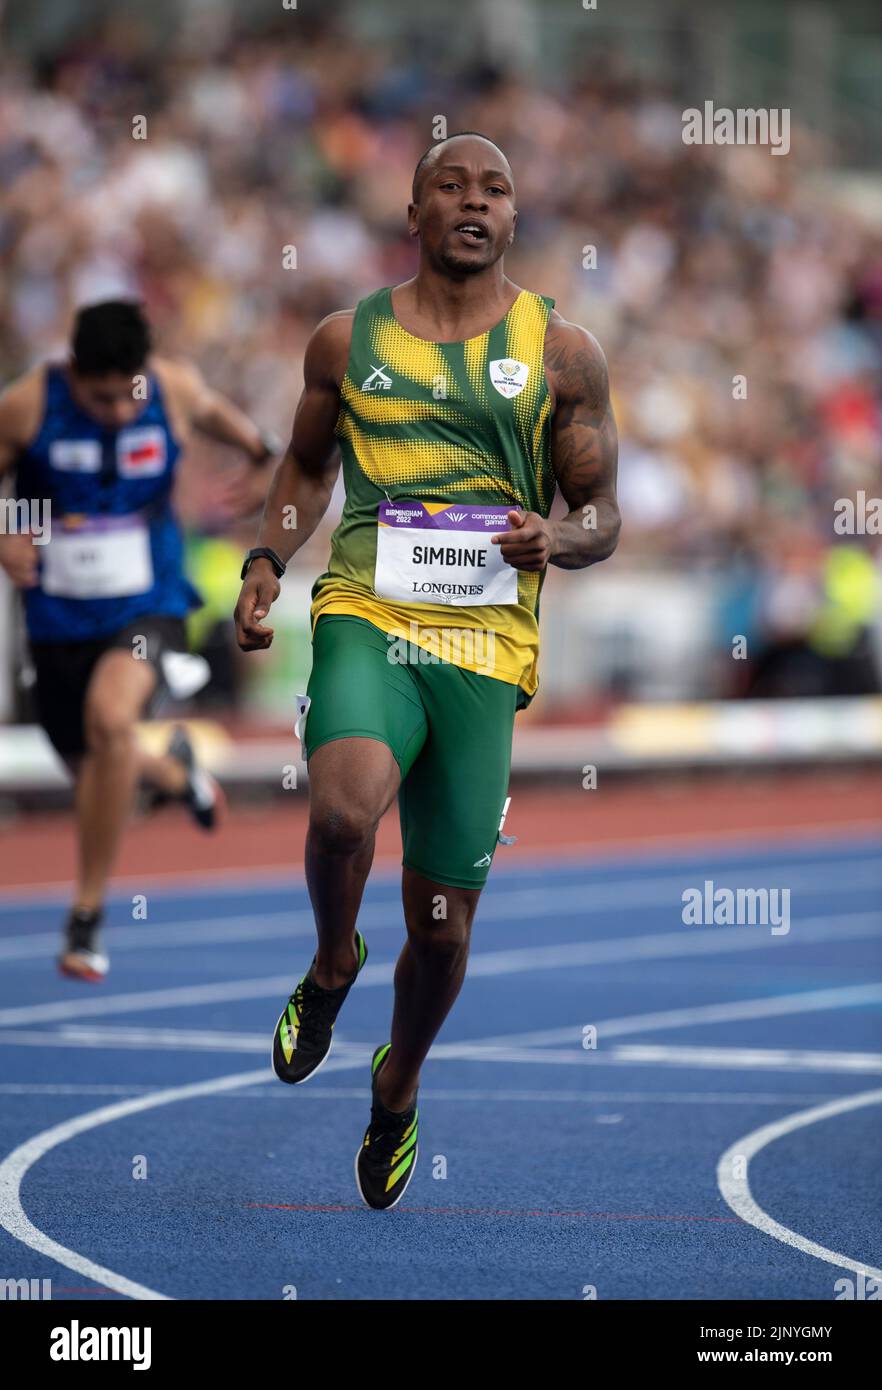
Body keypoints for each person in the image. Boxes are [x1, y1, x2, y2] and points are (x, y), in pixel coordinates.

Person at [234, 132, 621, 1209]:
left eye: (495, 187)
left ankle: (398, 1080)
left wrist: (562, 538)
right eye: (450, 185)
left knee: (444, 929)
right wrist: (269, 558)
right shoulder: (343, 339)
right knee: (344, 812)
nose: (474, 201)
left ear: (514, 215)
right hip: (370, 608)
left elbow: (601, 512)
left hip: (486, 646)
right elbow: (309, 466)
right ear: (413, 213)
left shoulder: (563, 353)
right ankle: (328, 966)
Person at [0, 299, 279, 981]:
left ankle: (87, 917)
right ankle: (177, 774)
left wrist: (262, 458)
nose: (120, 413)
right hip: (57, 616)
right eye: (101, 399)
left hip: (148, 603)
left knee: (110, 720)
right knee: (95, 762)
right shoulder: (28, 405)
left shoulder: (172, 388)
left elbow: (229, 423)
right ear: (73, 373)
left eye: (129, 398)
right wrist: (11, 528)